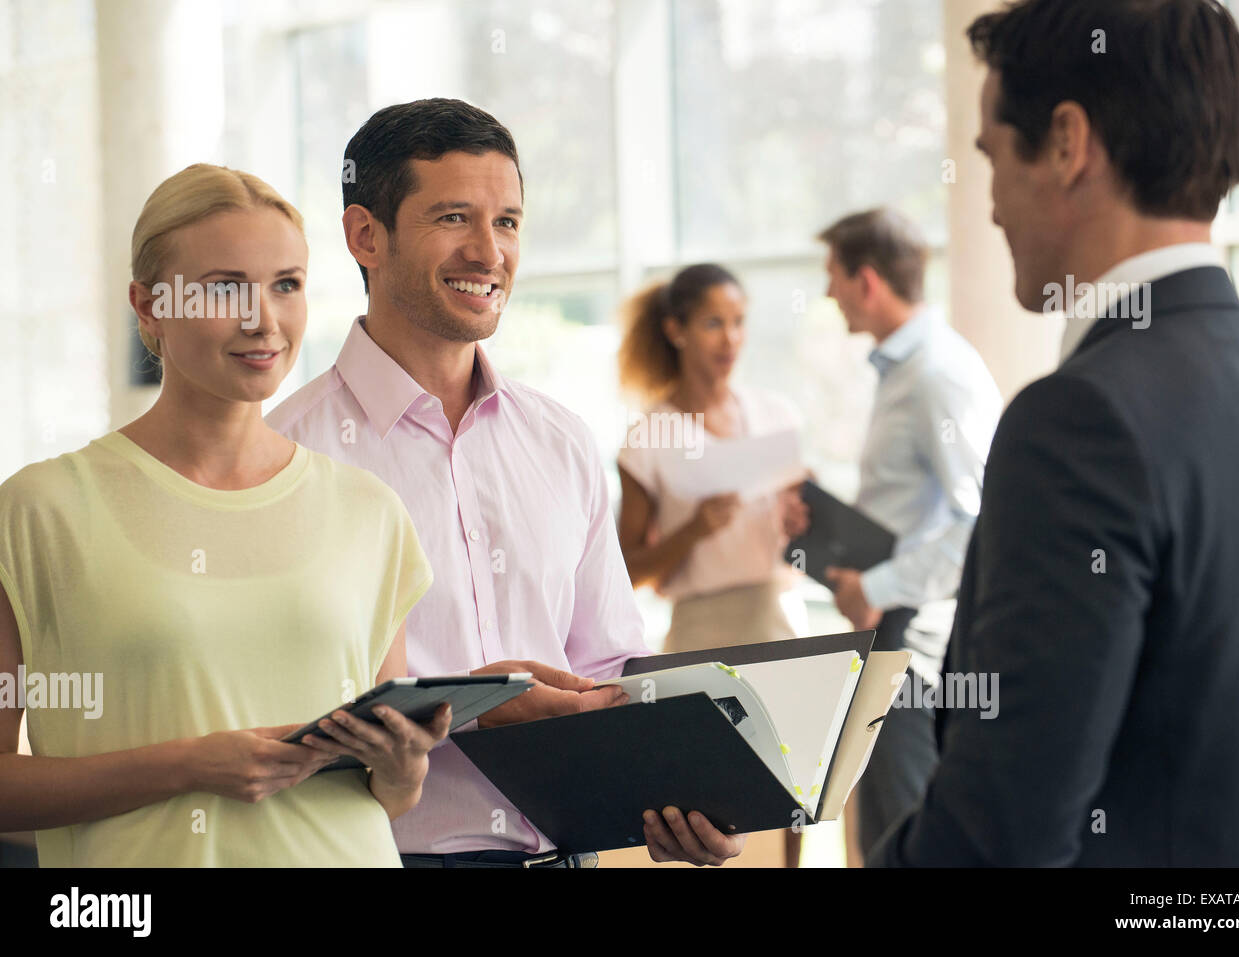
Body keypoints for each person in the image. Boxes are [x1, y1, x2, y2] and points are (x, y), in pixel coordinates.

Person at [871, 0, 1239, 866]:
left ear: (1067, 143)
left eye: (991, 156)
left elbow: (1001, 834)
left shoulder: (1079, 423)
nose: (989, 204)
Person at [267, 99, 746, 867]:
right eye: (454, 217)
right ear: (367, 236)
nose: (489, 252)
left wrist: (681, 785)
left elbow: (609, 669)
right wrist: (474, 707)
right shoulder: (282, 455)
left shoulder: (560, 441)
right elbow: (268, 713)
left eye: (509, 222)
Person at [0, 164, 447, 867]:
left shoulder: (368, 510)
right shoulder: (41, 508)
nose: (263, 319)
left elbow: (387, 798)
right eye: (224, 287)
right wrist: (190, 765)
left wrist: (402, 766)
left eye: (286, 284)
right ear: (149, 307)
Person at [803, 207, 1001, 863]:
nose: (828, 293)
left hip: (913, 642)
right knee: (880, 825)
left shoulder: (937, 373)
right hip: (890, 624)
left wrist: (878, 587)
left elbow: (984, 520)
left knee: (902, 827)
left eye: (833, 276)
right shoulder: (905, 371)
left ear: (867, 280)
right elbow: (910, 512)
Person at [615, 263, 807, 867]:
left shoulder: (775, 415)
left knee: (794, 788)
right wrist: (694, 529)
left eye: (740, 323)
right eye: (713, 324)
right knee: (706, 808)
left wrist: (803, 524)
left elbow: (810, 538)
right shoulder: (648, 438)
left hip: (778, 619)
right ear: (675, 329)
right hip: (700, 634)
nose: (731, 340)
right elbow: (625, 573)